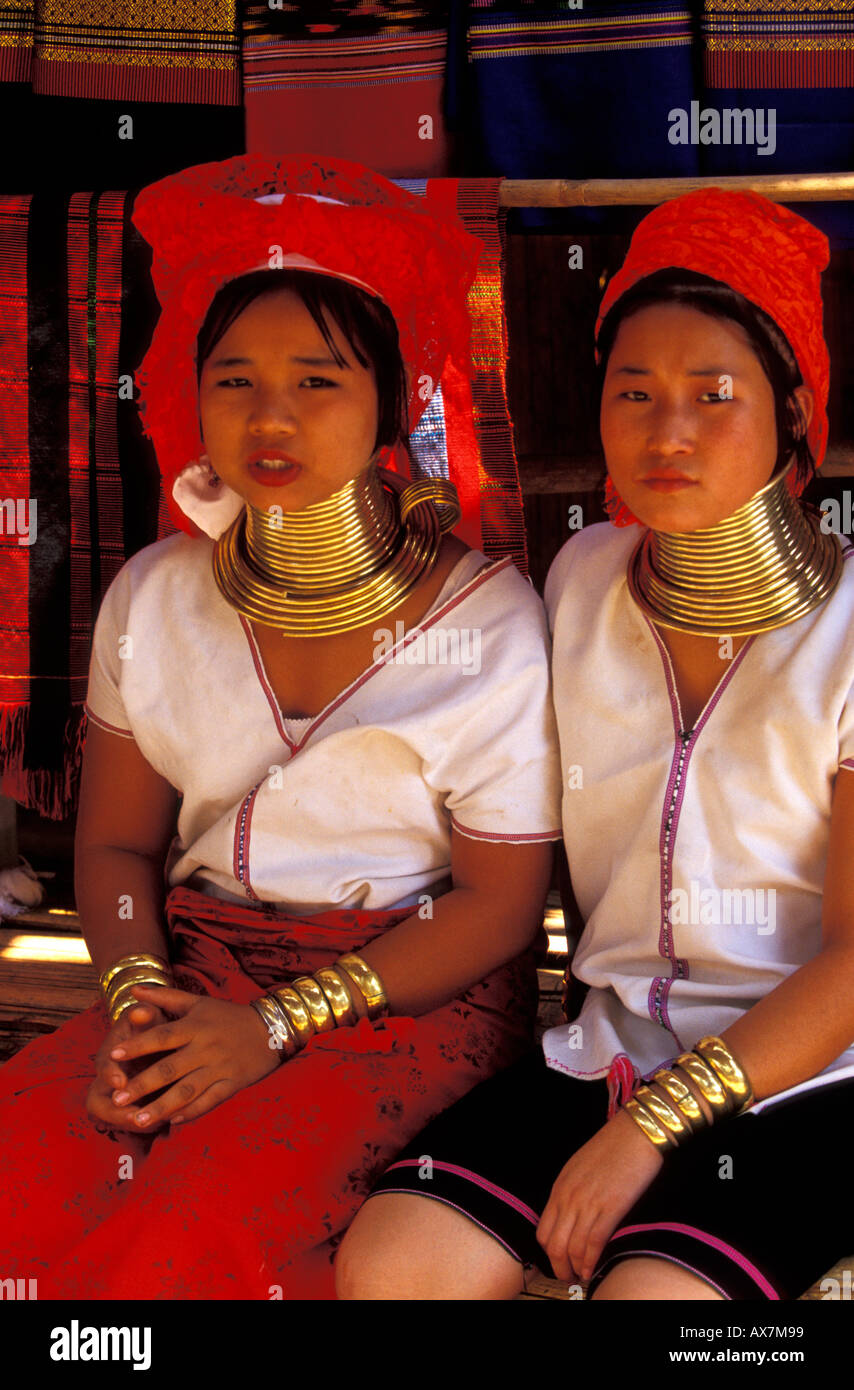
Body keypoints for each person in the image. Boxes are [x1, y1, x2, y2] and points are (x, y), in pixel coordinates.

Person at [0, 156, 562, 1300]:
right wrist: (141, 1017)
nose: (270, 417)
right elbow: (114, 851)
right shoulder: (156, 599)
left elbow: (501, 905)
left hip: (405, 997)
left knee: (192, 1227)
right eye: (234, 379)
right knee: (25, 1183)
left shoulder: (486, 621)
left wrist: (270, 1029)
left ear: (393, 399)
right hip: (189, 968)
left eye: (317, 381)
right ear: (186, 393)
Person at [337, 188, 854, 1302]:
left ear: (793, 415)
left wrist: (650, 1133)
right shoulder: (578, 587)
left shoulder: (851, 631)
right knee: (391, 1266)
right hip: (604, 1046)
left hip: (809, 1073)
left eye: (713, 395)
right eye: (634, 391)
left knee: (653, 1303)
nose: (666, 431)